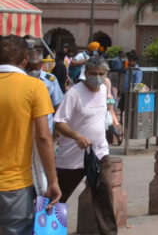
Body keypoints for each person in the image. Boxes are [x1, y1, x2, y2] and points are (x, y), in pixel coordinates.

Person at [52, 55, 120, 235]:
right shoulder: (74, 93)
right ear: (86, 72)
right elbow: (59, 123)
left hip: (99, 154)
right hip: (72, 156)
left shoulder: (104, 88)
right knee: (58, 196)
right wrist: (76, 136)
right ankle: (46, 231)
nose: (96, 77)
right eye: (93, 73)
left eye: (101, 73)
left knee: (104, 197)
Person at [0, 34, 61, 235]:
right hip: (15, 185)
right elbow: (43, 137)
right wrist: (52, 181)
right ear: (25, 59)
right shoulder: (34, 87)